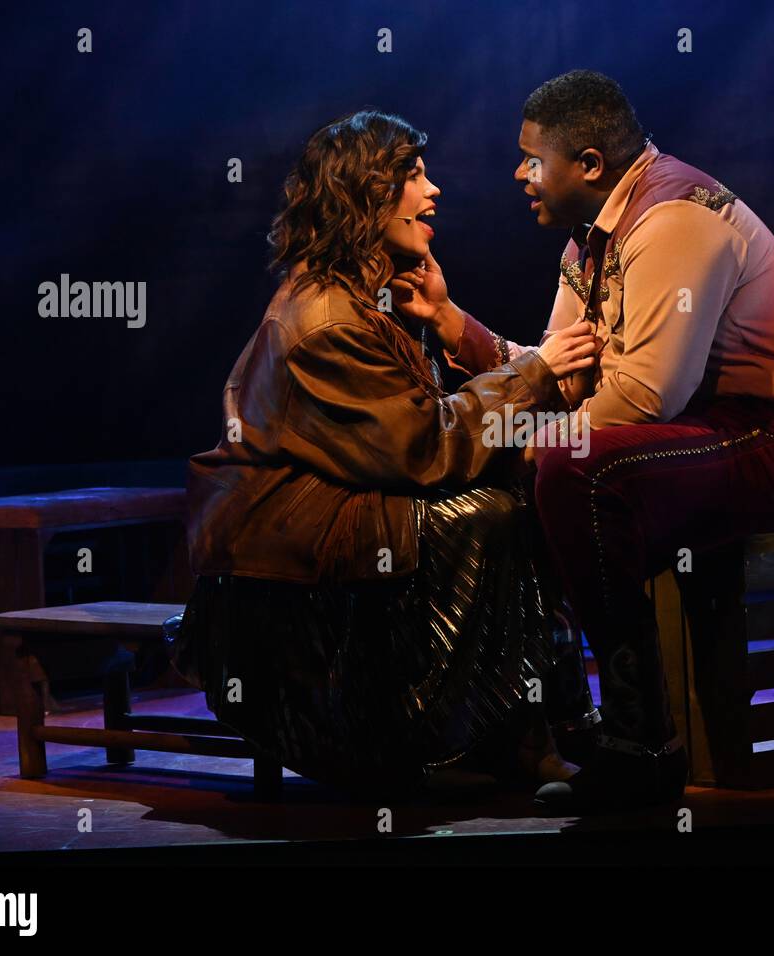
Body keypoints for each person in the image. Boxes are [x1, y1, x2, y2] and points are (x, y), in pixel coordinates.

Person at [393, 71, 774, 812]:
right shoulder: (588, 244)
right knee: (547, 469)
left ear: (591, 164)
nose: (520, 174)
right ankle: (565, 724)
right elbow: (553, 376)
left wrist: (523, 443)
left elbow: (640, 398)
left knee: (572, 468)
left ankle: (642, 744)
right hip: (689, 439)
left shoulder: (673, 219)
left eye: (534, 159)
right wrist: (451, 324)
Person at [171, 109, 600, 797]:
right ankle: (448, 743)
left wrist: (445, 318)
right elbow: (425, 447)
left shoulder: (366, 297)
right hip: (278, 560)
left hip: (332, 522)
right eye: (413, 177)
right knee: (482, 514)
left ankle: (539, 730)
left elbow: (427, 428)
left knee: (519, 493)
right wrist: (536, 374)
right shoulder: (325, 321)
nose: (433, 193)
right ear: (365, 194)